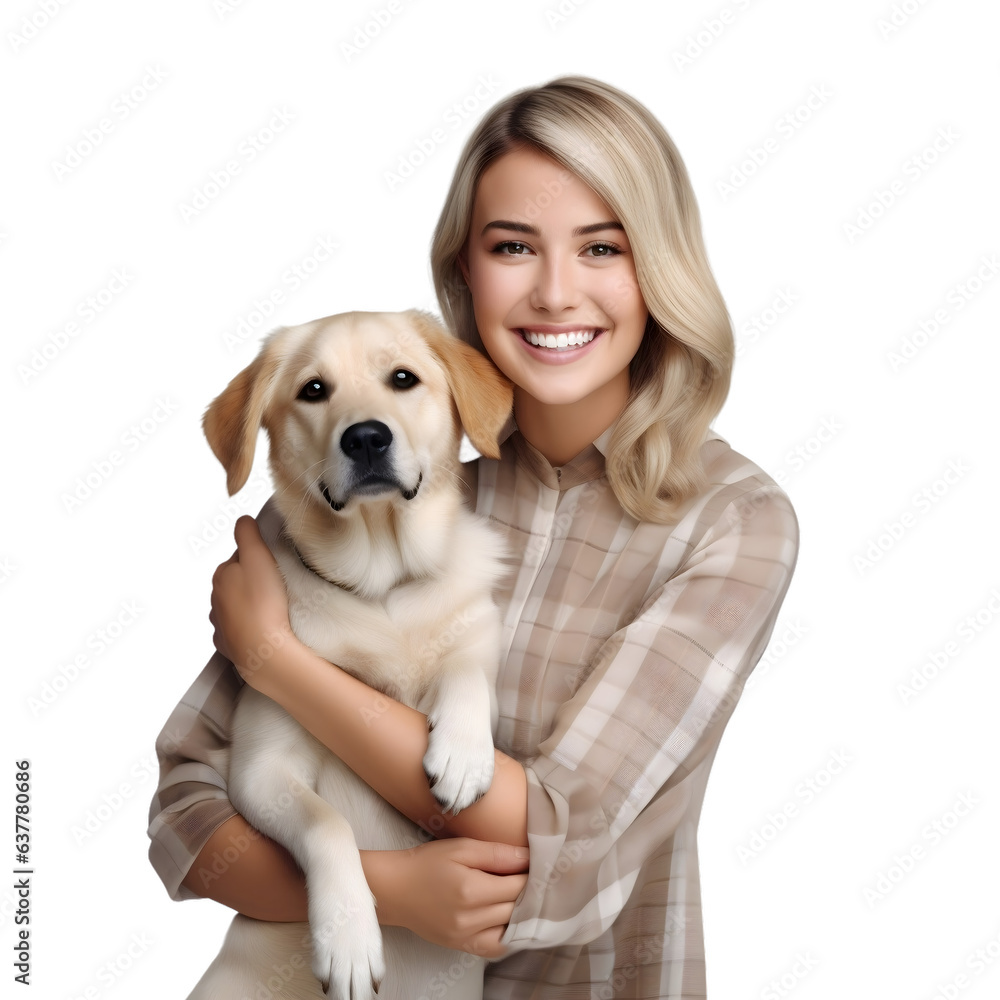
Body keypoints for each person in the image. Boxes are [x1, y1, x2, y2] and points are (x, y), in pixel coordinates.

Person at [148, 75, 799, 998]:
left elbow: (552, 847)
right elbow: (185, 814)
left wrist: (276, 658)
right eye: (513, 247)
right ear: (464, 273)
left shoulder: (732, 522)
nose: (556, 291)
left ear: (660, 266)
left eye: (602, 246)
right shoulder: (378, 500)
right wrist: (384, 890)